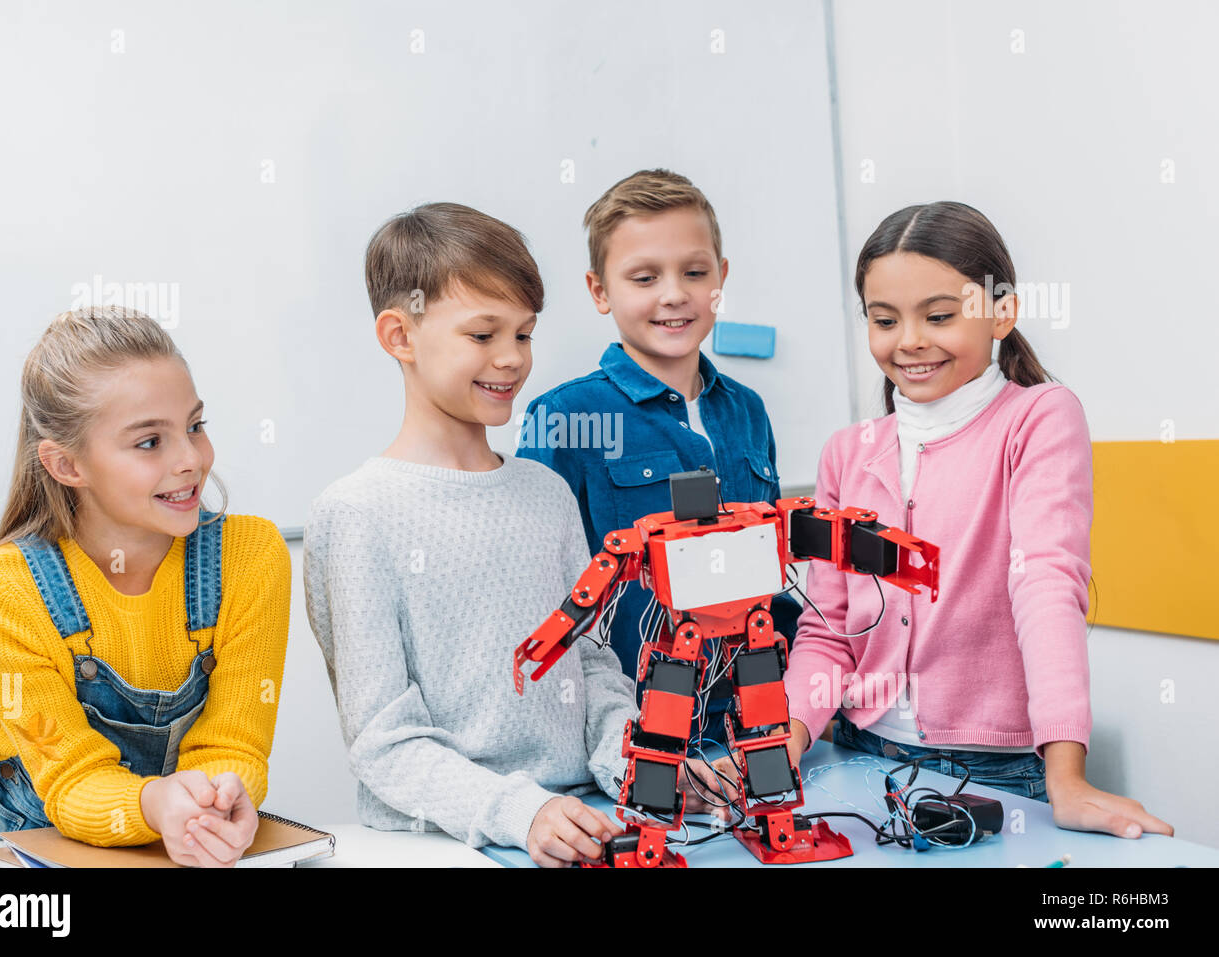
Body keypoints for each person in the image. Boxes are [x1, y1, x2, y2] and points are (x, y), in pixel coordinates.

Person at [304, 202, 729, 867]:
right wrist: (520, 810)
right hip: (446, 843)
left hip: (581, 819)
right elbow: (384, 739)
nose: (512, 359)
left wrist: (639, 764)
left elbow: (591, 667)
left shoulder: (544, 492)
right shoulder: (357, 511)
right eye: (482, 335)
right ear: (399, 335)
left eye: (524, 334)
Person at [779, 201, 1172, 839]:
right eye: (884, 320)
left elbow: (1046, 583)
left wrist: (1065, 778)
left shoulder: (1038, 417)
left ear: (1002, 311)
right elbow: (828, 631)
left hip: (997, 774)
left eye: (939, 316)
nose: (909, 340)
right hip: (860, 756)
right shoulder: (847, 452)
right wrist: (779, 750)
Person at [0, 307, 290, 866]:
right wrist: (158, 804)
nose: (192, 459)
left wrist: (220, 800)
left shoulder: (252, 557)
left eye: (195, 427)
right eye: (150, 442)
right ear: (65, 464)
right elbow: (72, 777)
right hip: (40, 833)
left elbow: (233, 744)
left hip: (174, 835)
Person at [517, 168, 801, 749]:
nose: (674, 294)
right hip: (637, 732)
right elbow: (539, 590)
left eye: (694, 273)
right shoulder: (565, 417)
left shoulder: (748, 411)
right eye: (644, 277)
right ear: (600, 291)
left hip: (756, 721)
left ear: (720, 279)